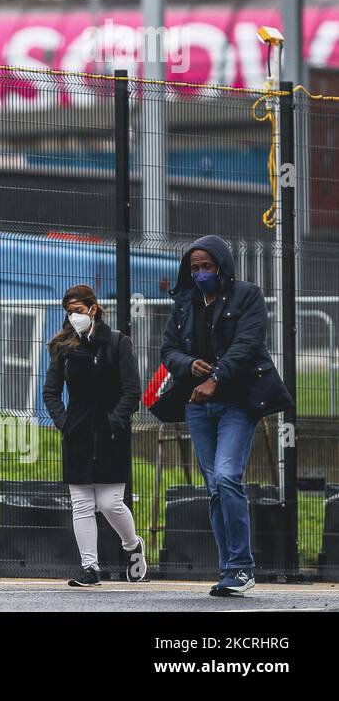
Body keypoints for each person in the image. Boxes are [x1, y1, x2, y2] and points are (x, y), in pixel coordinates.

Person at [159, 235, 292, 596]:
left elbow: (248, 344)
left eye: (207, 266)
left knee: (227, 475)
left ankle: (242, 566)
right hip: (197, 404)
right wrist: (189, 364)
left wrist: (216, 377)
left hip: (239, 401)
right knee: (215, 486)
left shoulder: (247, 296)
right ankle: (230, 569)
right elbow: (168, 348)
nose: (201, 273)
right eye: (195, 267)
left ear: (222, 266)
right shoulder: (185, 303)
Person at [42, 284, 148, 587]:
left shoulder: (118, 344)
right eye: (69, 312)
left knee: (110, 503)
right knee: (82, 504)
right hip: (77, 435)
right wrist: (65, 422)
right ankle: (90, 568)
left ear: (93, 308)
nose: (74, 317)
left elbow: (132, 391)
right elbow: (51, 392)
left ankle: (132, 546)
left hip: (111, 436)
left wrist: (114, 422)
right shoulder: (64, 348)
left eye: (78, 310)